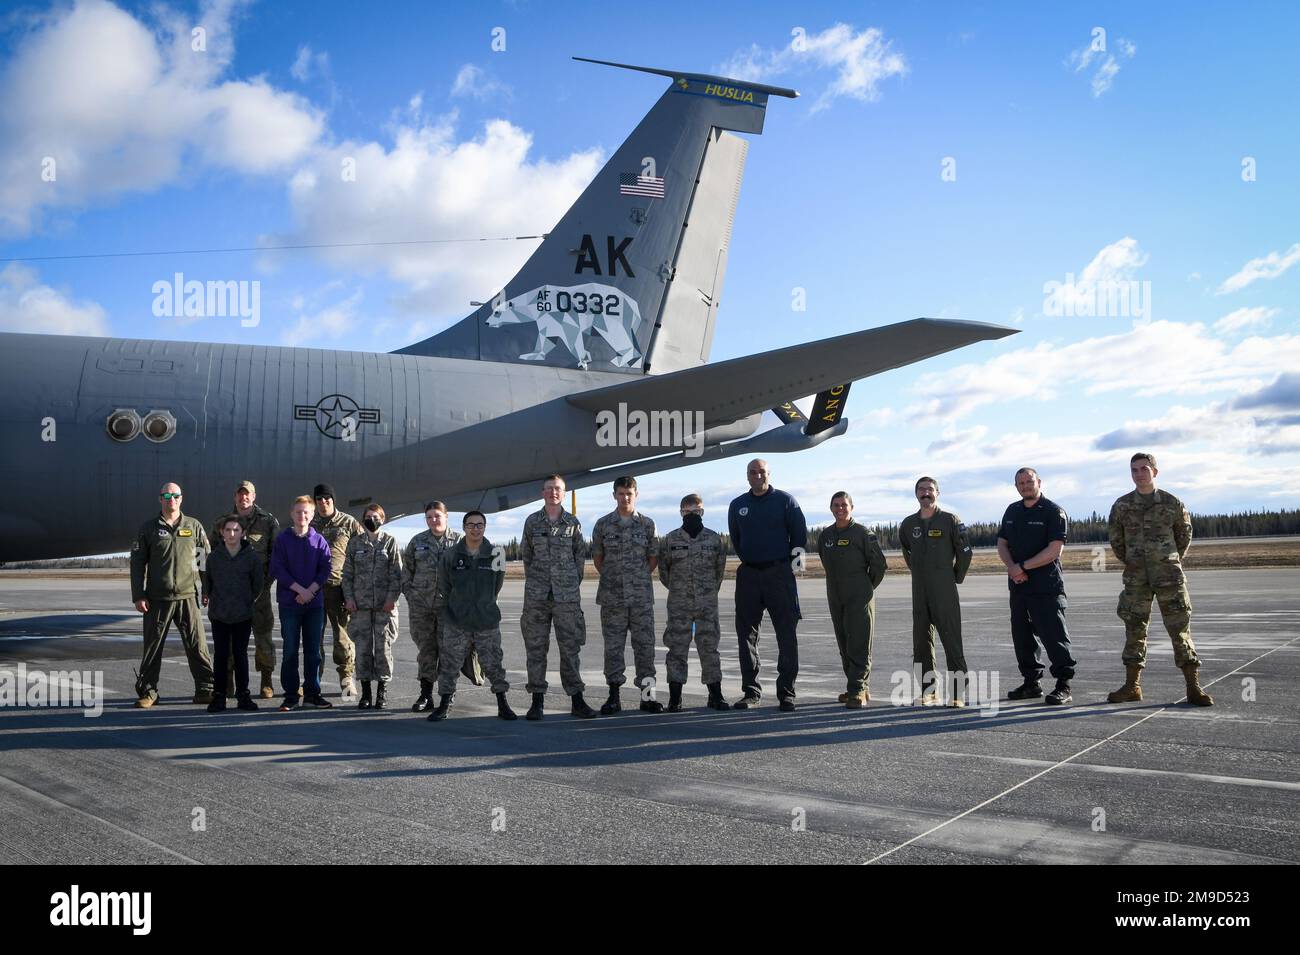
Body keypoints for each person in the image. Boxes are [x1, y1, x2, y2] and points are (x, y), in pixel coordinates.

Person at [1106, 453, 1212, 706]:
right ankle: (1132, 686)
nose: (1139, 473)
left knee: (1180, 629)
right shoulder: (1121, 506)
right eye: (1134, 470)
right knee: (1134, 629)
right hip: (1136, 578)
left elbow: (1183, 536)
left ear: (1155, 471)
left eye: (1144, 468)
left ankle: (1193, 687)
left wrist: (1167, 560)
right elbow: (1117, 542)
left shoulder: (1171, 502)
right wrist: (1135, 562)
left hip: (1168, 576)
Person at [728, 459, 807, 712]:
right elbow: (737, 539)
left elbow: (799, 537)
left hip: (779, 574)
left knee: (786, 634)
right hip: (749, 576)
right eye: (753, 472)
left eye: (762, 471)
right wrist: (752, 561)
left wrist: (792, 572)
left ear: (769, 474)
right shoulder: (738, 505)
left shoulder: (786, 501)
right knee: (746, 636)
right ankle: (751, 692)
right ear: (747, 476)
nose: (758, 475)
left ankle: (786, 693)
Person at [129, 482, 215, 707]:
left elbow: (203, 561)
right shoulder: (148, 528)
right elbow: (137, 564)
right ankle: (149, 692)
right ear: (160, 499)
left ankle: (205, 688)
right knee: (153, 647)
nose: (171, 499)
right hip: (157, 599)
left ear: (181, 498)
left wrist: (207, 589)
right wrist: (139, 595)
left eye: (175, 495)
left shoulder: (193, 526)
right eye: (166, 495)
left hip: (187, 597)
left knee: (198, 645)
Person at [520, 474, 598, 720]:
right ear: (542, 493)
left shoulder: (572, 523)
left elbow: (579, 558)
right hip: (537, 597)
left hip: (567, 597)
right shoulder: (532, 522)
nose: (553, 492)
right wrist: (538, 582)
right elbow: (527, 556)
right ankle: (537, 701)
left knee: (570, 649)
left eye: (558, 489)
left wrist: (569, 585)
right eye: (549, 489)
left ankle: (576, 699)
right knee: (535, 649)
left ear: (563, 494)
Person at [997, 468, 1076, 705]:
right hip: (1019, 586)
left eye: (1029, 481)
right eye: (1020, 483)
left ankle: (1064, 684)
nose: (1025, 486)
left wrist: (1022, 567)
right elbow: (1002, 543)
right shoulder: (1012, 510)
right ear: (1016, 486)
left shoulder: (1053, 511)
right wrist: (1012, 567)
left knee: (1054, 635)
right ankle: (1031, 683)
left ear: (1038, 482)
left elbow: (1055, 550)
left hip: (1046, 586)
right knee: (1022, 637)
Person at [427, 511, 516, 722]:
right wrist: (460, 604)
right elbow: (445, 586)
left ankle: (503, 703)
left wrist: (483, 602)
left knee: (493, 663)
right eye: (471, 525)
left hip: (486, 620)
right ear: (464, 527)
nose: (475, 529)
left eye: (479, 525)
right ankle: (445, 703)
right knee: (449, 665)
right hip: (457, 620)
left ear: (484, 527)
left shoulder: (496, 553)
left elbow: (497, 586)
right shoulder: (451, 555)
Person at [401, 501, 482, 713]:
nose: (433, 520)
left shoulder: (461, 542)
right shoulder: (417, 541)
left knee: (450, 653)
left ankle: (448, 694)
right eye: (429, 517)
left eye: (437, 516)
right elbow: (406, 572)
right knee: (426, 651)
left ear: (446, 517)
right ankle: (426, 695)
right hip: (422, 609)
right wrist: (412, 596)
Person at [591, 476, 662, 714]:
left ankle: (648, 697)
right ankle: (613, 697)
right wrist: (615, 577)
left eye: (629, 493)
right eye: (621, 493)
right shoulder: (603, 524)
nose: (625, 498)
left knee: (645, 647)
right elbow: (598, 558)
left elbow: (653, 559)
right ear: (614, 495)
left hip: (641, 598)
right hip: (612, 598)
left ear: (636, 494)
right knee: (613, 648)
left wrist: (637, 577)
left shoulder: (648, 524)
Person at [899, 477, 972, 706]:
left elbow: (965, 552)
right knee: (921, 642)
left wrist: (954, 577)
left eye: (929, 489)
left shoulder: (950, 520)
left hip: (944, 590)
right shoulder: (909, 524)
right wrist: (919, 573)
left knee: (951, 640)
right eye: (921, 490)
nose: (925, 493)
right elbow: (907, 551)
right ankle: (928, 690)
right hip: (919, 591)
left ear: (937, 493)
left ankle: (958, 692)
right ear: (916, 494)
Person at [657, 494, 730, 712]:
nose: (692, 515)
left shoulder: (714, 539)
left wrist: (705, 592)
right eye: (688, 512)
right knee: (677, 649)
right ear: (681, 513)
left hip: (707, 604)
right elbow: (664, 572)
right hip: (679, 604)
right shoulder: (671, 540)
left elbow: (719, 571)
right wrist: (681, 590)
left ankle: (715, 694)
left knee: (709, 648)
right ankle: (675, 697)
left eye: (696, 511)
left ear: (703, 512)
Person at [210, 480, 279, 699]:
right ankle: (228, 681)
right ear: (235, 497)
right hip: (230, 595)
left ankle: (266, 681)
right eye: (240, 495)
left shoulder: (268, 522)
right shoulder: (222, 523)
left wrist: (265, 584)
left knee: (263, 637)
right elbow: (209, 557)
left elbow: (276, 558)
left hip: (259, 594)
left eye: (247, 494)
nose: (243, 498)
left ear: (254, 496)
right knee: (230, 641)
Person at [817, 492, 887, 709]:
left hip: (859, 596)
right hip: (835, 595)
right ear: (831, 508)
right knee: (844, 642)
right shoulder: (826, 535)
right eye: (836, 505)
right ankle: (856, 687)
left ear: (852, 507)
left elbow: (879, 565)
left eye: (844, 505)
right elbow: (824, 560)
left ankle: (857, 690)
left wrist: (866, 587)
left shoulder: (863, 534)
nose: (840, 509)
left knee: (859, 642)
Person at [270, 496, 333, 710]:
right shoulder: (283, 539)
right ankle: (291, 695)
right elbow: (278, 569)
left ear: (312, 515)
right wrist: (300, 590)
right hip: (290, 603)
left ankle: (312, 694)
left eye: (306, 512)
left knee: (313, 651)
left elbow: (326, 569)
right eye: (298, 512)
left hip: (313, 605)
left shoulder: (319, 540)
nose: (302, 516)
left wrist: (311, 591)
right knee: (290, 650)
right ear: (291, 514)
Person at [342, 504, 403, 710]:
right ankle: (366, 693)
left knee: (383, 649)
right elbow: (347, 575)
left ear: (382, 519)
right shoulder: (355, 543)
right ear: (363, 520)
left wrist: (391, 599)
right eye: (368, 517)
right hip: (360, 606)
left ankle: (381, 692)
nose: (372, 520)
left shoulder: (390, 542)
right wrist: (349, 599)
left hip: (384, 607)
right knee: (363, 649)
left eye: (375, 517)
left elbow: (397, 574)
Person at [202, 514, 264, 711]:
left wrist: (246, 600)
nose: (232, 533)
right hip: (219, 614)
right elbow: (207, 582)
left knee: (240, 655)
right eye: (228, 530)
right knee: (220, 655)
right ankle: (219, 695)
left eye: (236, 530)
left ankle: (243, 695)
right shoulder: (213, 557)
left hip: (242, 614)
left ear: (243, 533)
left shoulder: (252, 557)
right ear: (222, 532)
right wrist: (211, 598)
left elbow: (258, 584)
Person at [310, 484, 360, 698]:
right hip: (314, 589)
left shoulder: (348, 522)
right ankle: (314, 681)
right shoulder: (310, 523)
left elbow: (360, 552)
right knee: (314, 637)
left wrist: (355, 590)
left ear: (333, 499)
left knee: (342, 637)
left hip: (339, 589)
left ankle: (347, 679)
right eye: (319, 499)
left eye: (327, 498)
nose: (323, 502)